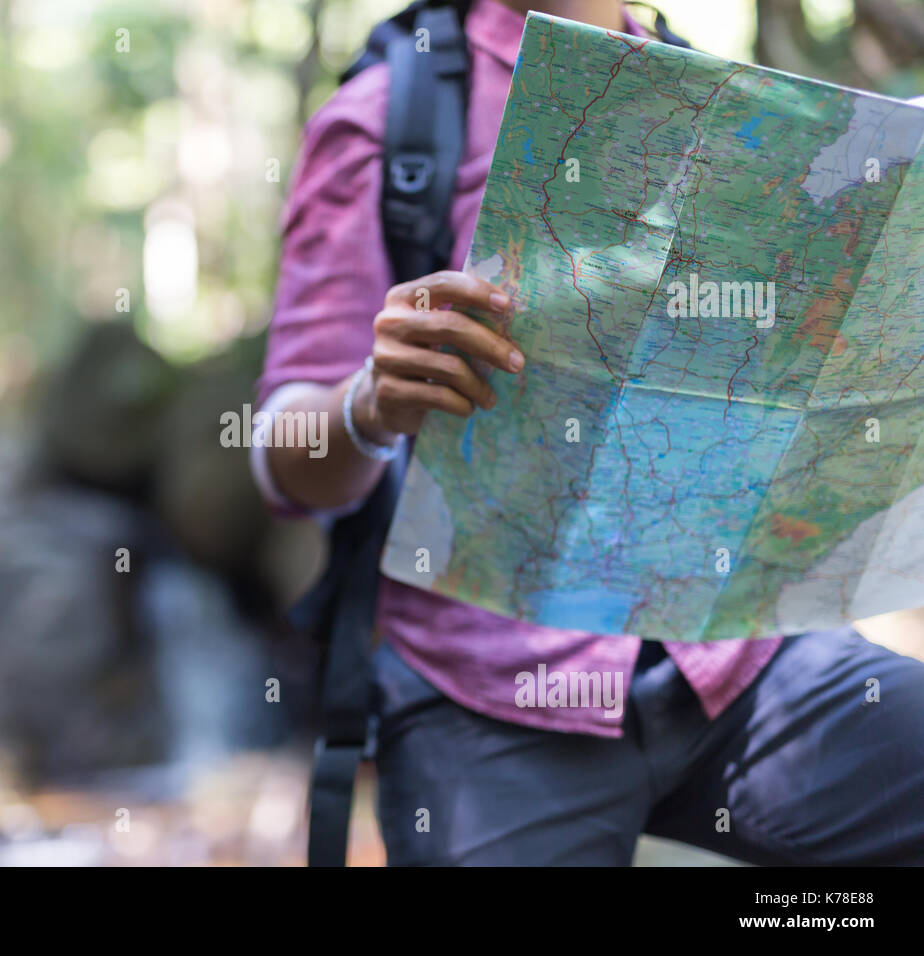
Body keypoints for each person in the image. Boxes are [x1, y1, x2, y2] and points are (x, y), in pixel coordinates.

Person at [251, 0, 924, 865]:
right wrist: (367, 402)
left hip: (739, 660)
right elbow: (279, 460)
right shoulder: (388, 122)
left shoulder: (728, 98)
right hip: (486, 698)